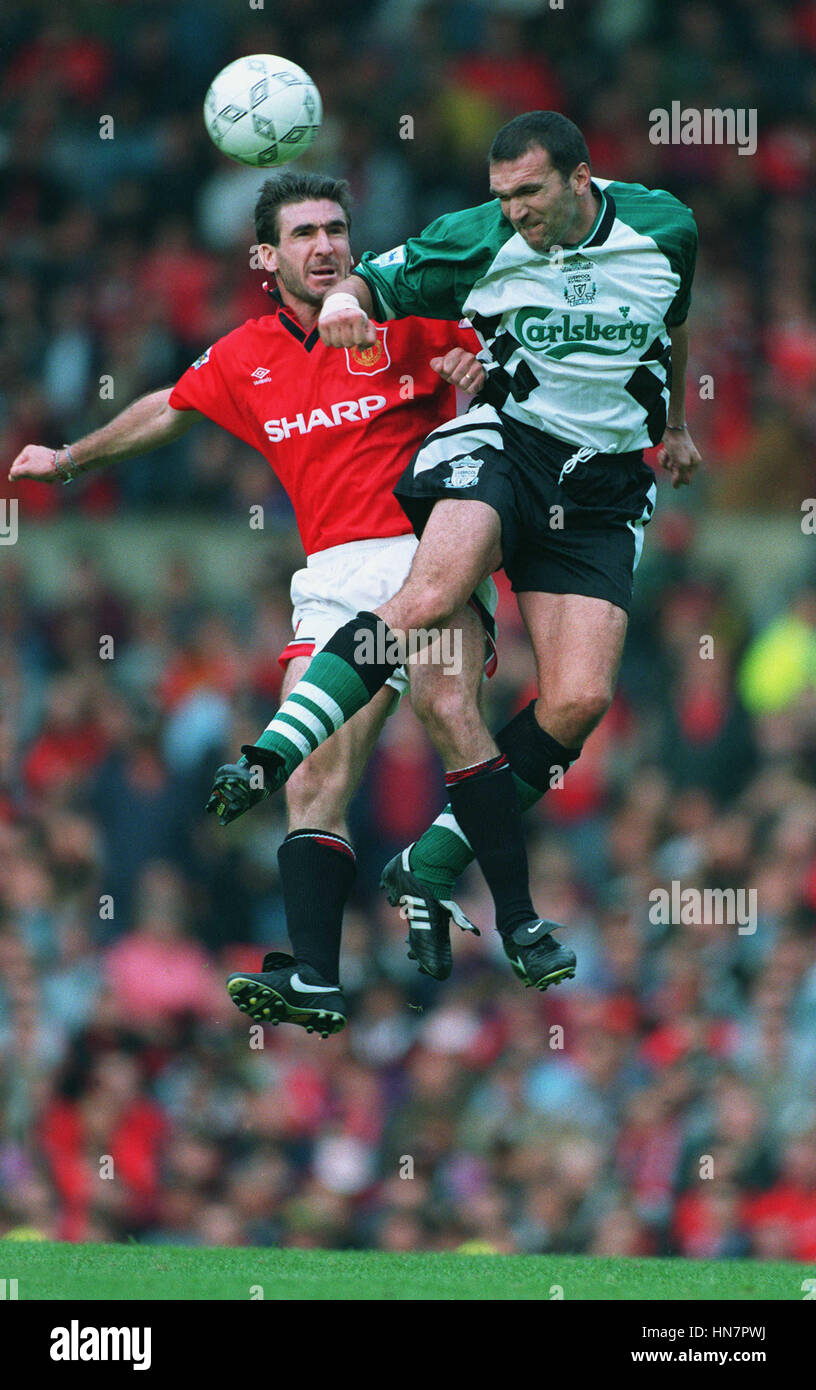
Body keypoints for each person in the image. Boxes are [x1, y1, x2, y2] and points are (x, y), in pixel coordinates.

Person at [219, 110, 701, 996]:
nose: (513, 212)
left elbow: (670, 323)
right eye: (501, 195)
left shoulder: (665, 228)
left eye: (529, 193)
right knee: (429, 594)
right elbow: (365, 283)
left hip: (599, 491)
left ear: (580, 179)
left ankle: (432, 860)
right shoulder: (472, 239)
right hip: (501, 447)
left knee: (580, 699)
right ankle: (277, 749)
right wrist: (336, 301)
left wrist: (673, 428)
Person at [8, 171, 497, 1038]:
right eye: (304, 233)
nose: (326, 247)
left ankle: (465, 888)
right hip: (335, 582)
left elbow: (496, 359)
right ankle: (316, 977)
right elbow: (169, 407)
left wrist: (479, 371)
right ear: (265, 256)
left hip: (428, 563)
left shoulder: (407, 316)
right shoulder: (245, 357)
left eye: (337, 229)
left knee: (451, 713)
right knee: (309, 774)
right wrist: (73, 458)